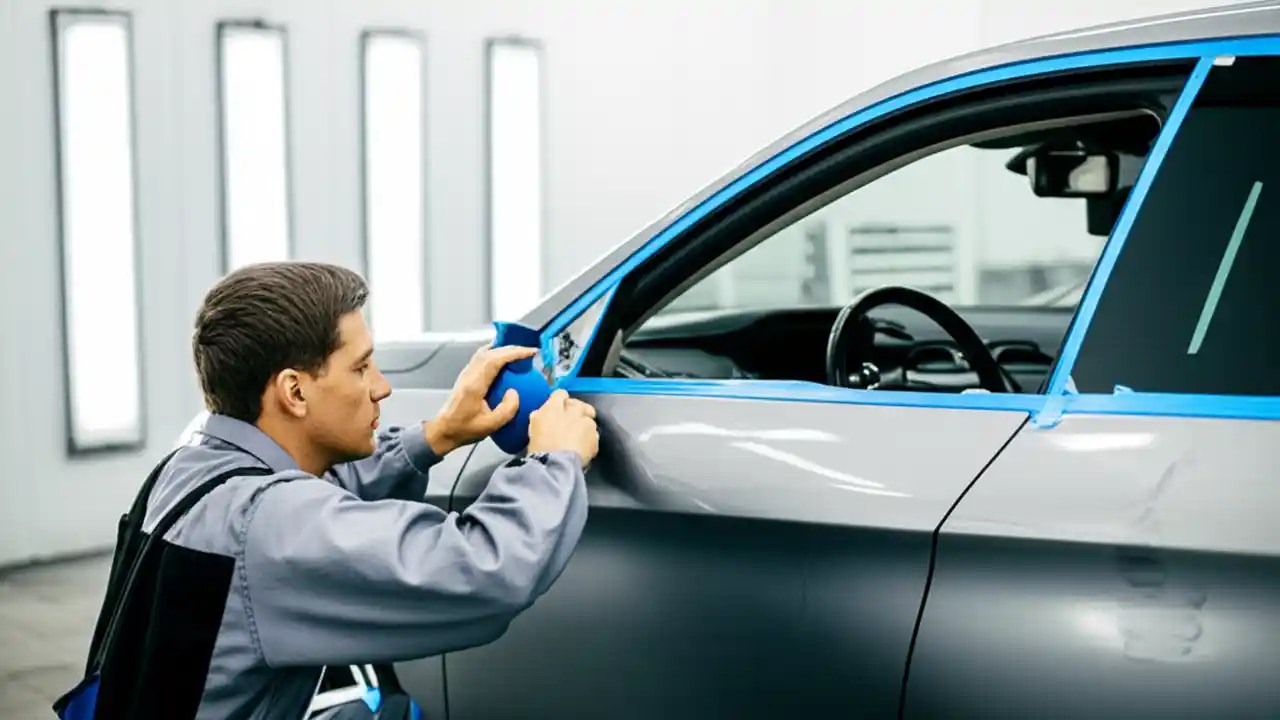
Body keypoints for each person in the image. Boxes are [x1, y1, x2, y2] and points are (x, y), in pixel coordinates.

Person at [104, 261, 598, 719]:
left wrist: (439, 434)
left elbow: (318, 495)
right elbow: (481, 569)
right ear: (294, 391)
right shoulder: (264, 526)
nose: (382, 387)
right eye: (361, 368)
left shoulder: (188, 467)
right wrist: (554, 461)